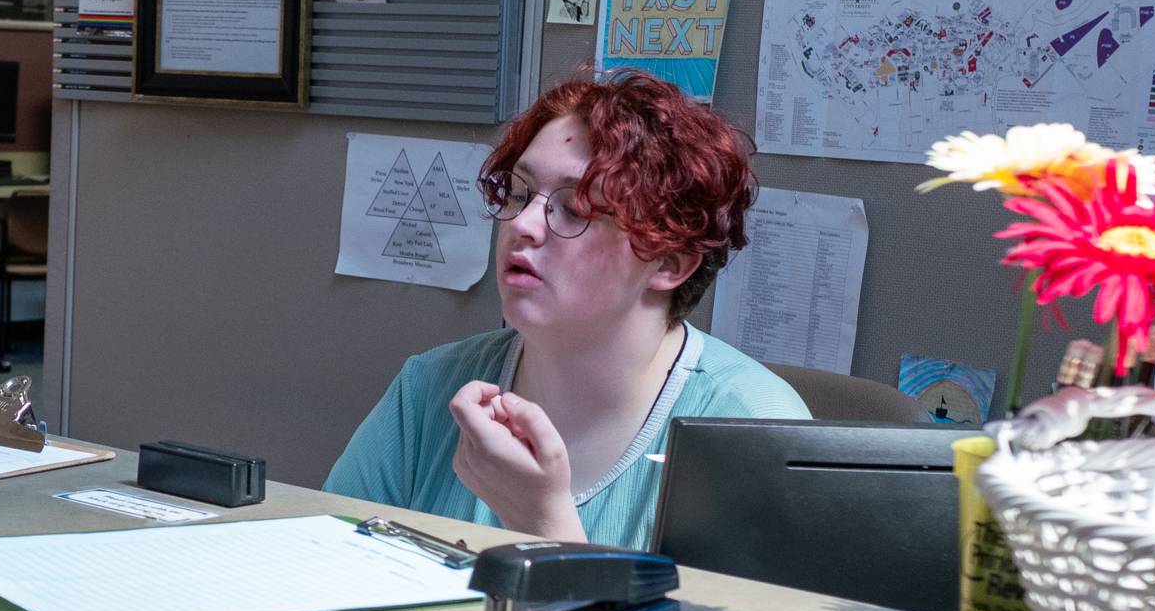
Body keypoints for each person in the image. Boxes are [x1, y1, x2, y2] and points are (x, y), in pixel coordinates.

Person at [326, 72, 806, 548]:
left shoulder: (753, 428)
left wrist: (542, 521)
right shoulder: (430, 388)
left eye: (575, 207)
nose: (524, 224)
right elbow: (323, 575)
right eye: (518, 193)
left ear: (669, 261)